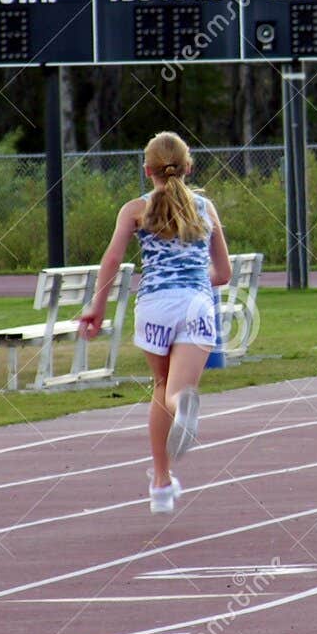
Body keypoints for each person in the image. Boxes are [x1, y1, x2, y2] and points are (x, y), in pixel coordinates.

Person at [79, 131, 232, 515]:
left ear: (147, 170)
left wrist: (96, 307)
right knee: (178, 389)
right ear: (189, 166)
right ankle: (184, 406)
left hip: (153, 306)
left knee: (160, 385)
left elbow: (112, 261)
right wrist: (192, 280)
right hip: (195, 303)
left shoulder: (135, 209)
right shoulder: (205, 208)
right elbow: (224, 273)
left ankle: (161, 485)